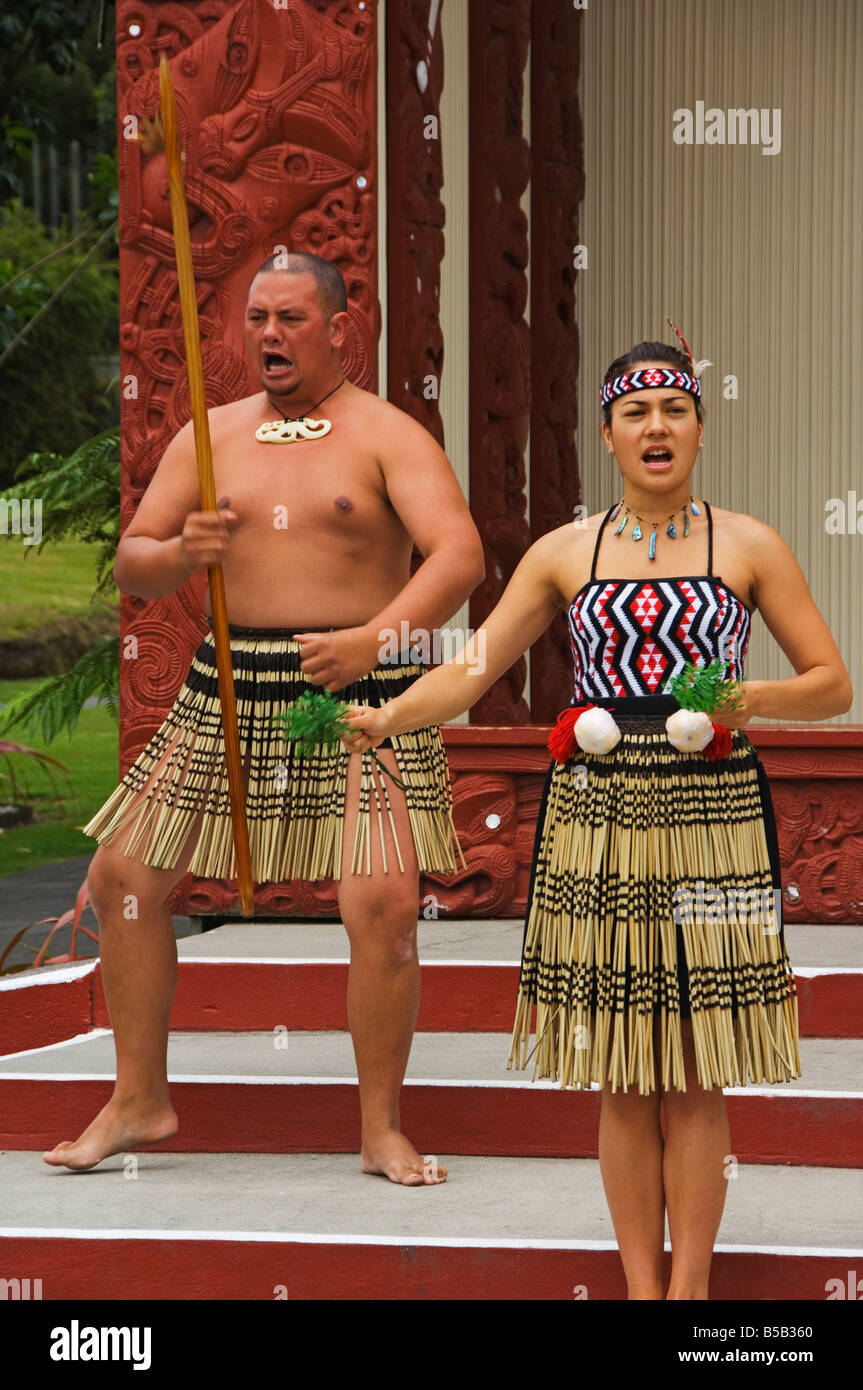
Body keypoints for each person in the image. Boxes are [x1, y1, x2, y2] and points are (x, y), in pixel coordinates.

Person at [343, 338, 853, 1293]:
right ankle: (637, 1286)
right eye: (635, 413)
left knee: (697, 1069)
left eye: (673, 410)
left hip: (714, 821)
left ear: (699, 426)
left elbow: (830, 684)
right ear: (609, 436)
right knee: (622, 1071)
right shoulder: (562, 552)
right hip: (596, 821)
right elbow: (472, 665)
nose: (655, 428)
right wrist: (388, 714)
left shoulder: (747, 544)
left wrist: (746, 703)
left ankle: (691, 1295)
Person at [42, 251, 484, 1187]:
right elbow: (133, 562)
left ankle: (379, 1128)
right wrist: (180, 551)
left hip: (355, 690)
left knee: (385, 904)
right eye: (256, 319)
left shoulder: (386, 434)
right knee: (125, 873)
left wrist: (377, 637)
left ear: (337, 327)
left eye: (289, 318)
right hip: (228, 685)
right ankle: (138, 1099)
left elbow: (459, 555)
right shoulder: (210, 438)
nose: (269, 336)